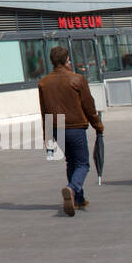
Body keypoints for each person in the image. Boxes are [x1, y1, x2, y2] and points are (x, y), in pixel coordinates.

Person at [37, 45, 104, 216]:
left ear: (51, 61)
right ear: (67, 60)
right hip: (75, 127)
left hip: (56, 128)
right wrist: (97, 125)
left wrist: (47, 137)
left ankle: (78, 199)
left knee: (71, 162)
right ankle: (72, 189)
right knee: (82, 163)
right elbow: (88, 105)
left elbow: (44, 111)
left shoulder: (44, 83)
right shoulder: (77, 79)